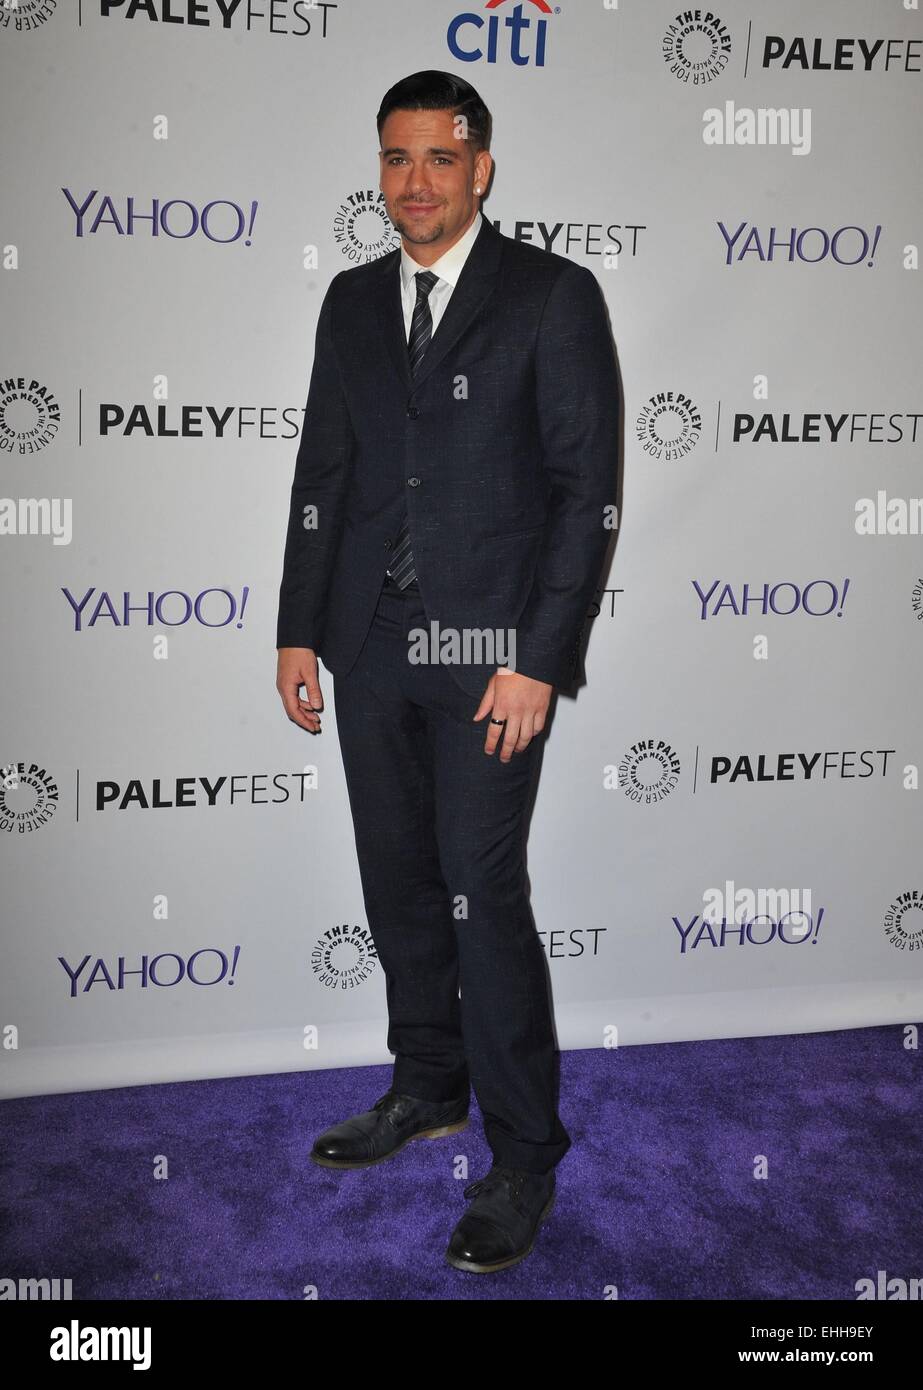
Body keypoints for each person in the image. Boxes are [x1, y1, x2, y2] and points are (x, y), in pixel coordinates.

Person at [276, 70, 619, 1274]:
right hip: (370, 648)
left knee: (481, 895)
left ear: (481, 167)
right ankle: (425, 1083)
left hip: (487, 663)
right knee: (398, 882)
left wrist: (536, 659)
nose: (412, 182)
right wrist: (297, 630)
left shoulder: (550, 296)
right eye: (392, 159)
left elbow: (586, 497)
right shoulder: (351, 301)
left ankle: (524, 1154)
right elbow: (321, 477)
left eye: (437, 157)